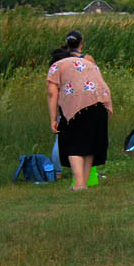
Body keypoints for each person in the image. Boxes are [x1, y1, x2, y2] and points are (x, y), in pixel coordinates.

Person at [46, 30, 112, 191]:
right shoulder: (89, 61)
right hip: (99, 105)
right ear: (81, 43)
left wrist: (53, 118)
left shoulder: (56, 66)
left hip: (75, 108)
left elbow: (51, 93)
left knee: (73, 144)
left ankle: (78, 184)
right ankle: (82, 184)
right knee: (90, 145)